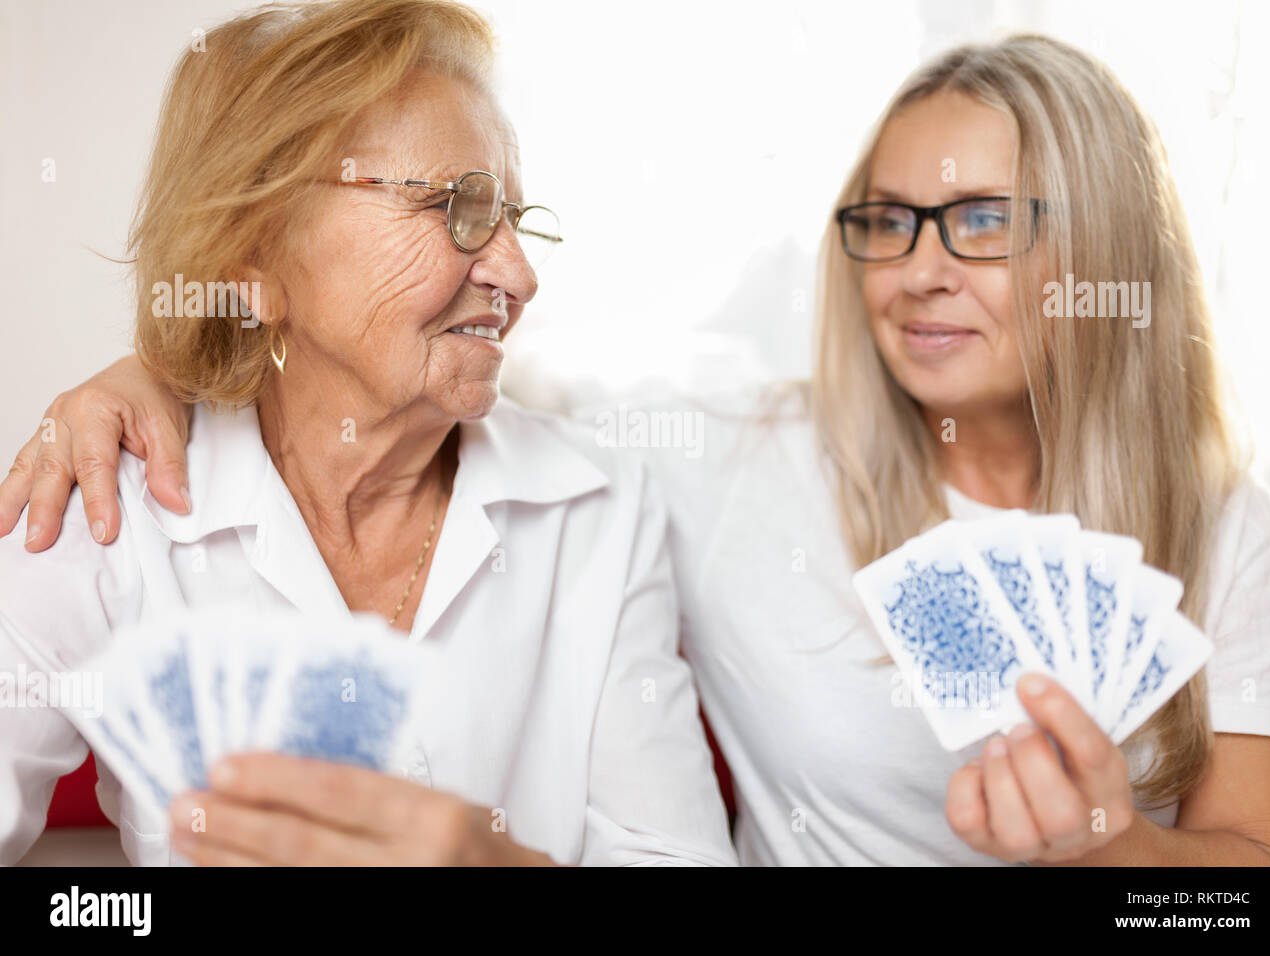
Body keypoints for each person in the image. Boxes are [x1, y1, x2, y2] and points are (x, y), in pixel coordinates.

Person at [8, 33, 1270, 865]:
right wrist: (165, 364)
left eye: (978, 221)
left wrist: (1115, 851)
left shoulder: (1246, 539)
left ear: (1111, 249)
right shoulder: (728, 453)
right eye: (886, 221)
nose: (914, 272)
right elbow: (420, 361)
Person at [0, 0, 736, 867]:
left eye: (513, 217)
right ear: (255, 260)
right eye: (456, 208)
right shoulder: (100, 505)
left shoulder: (597, 508)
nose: (519, 274)